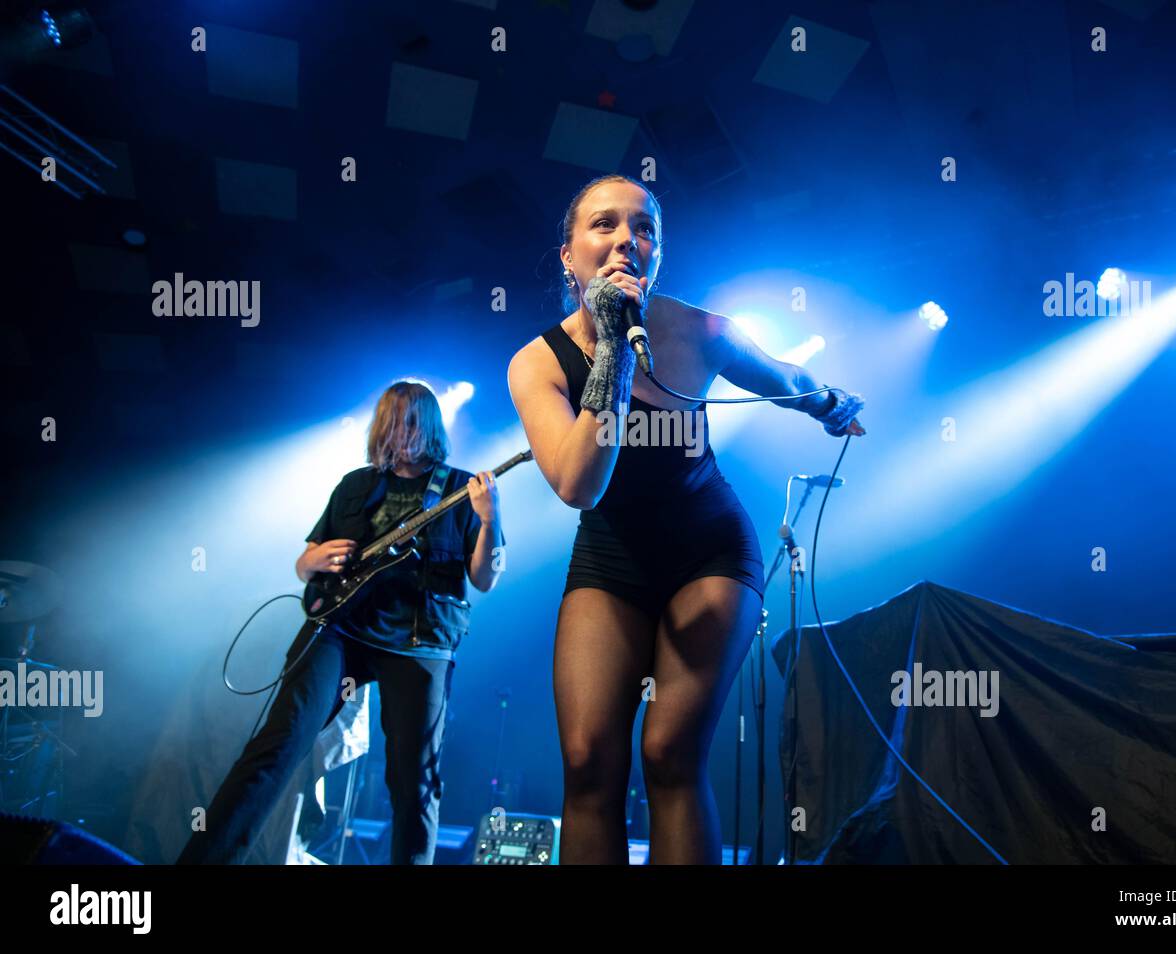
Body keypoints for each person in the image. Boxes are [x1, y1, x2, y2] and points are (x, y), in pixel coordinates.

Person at [507, 174, 863, 864]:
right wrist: (610, 347)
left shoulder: (700, 329)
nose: (625, 241)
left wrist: (827, 403)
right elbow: (580, 485)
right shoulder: (536, 363)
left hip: (710, 553)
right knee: (587, 764)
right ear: (568, 254)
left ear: (657, 253)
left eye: (644, 229)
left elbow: (783, 377)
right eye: (603, 225)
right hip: (610, 558)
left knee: (669, 752)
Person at [178, 380, 505, 864]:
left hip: (419, 642)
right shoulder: (356, 484)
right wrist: (312, 562)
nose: (402, 434)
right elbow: (305, 561)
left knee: (413, 782)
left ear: (430, 426)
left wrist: (491, 517)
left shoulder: (460, 489)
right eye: (393, 423)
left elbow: (484, 580)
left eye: (412, 422)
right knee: (277, 745)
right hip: (339, 631)